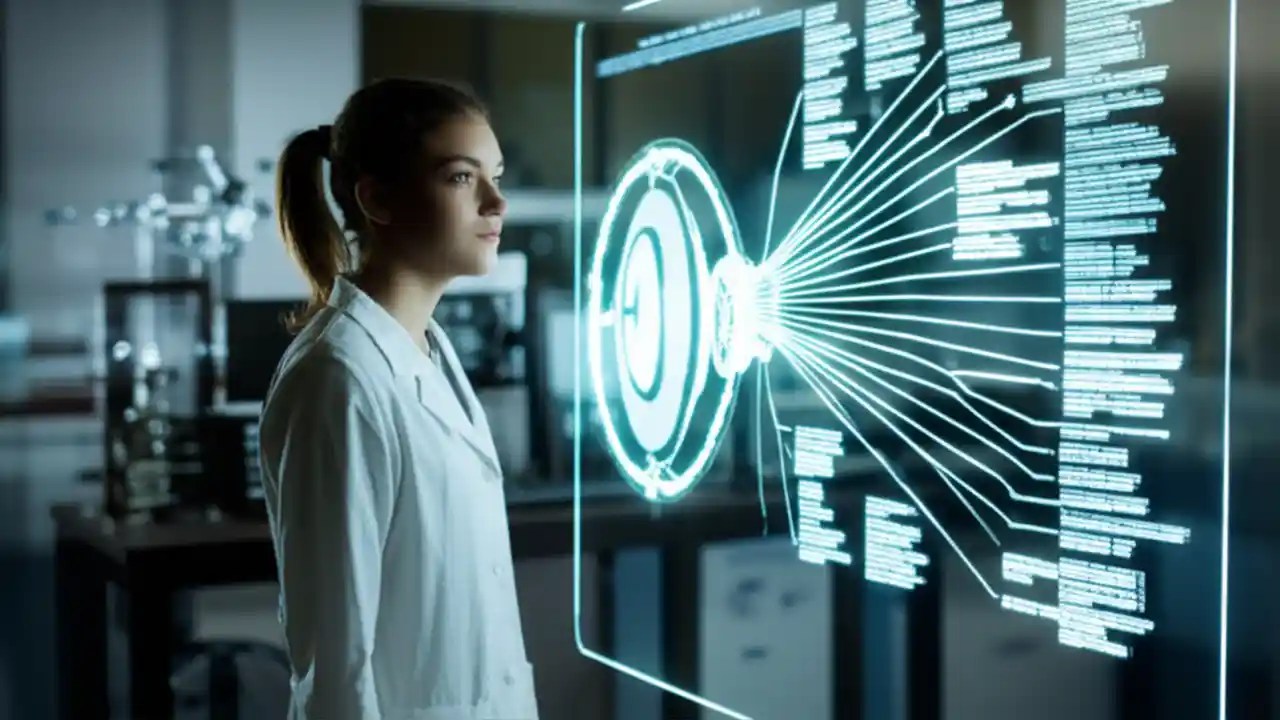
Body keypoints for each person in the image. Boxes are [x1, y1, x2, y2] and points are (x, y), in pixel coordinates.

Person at [257, 78, 538, 720]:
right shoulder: (339, 379)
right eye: (463, 179)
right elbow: (335, 668)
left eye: (495, 176)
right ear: (378, 198)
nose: (497, 204)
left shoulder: (426, 351)